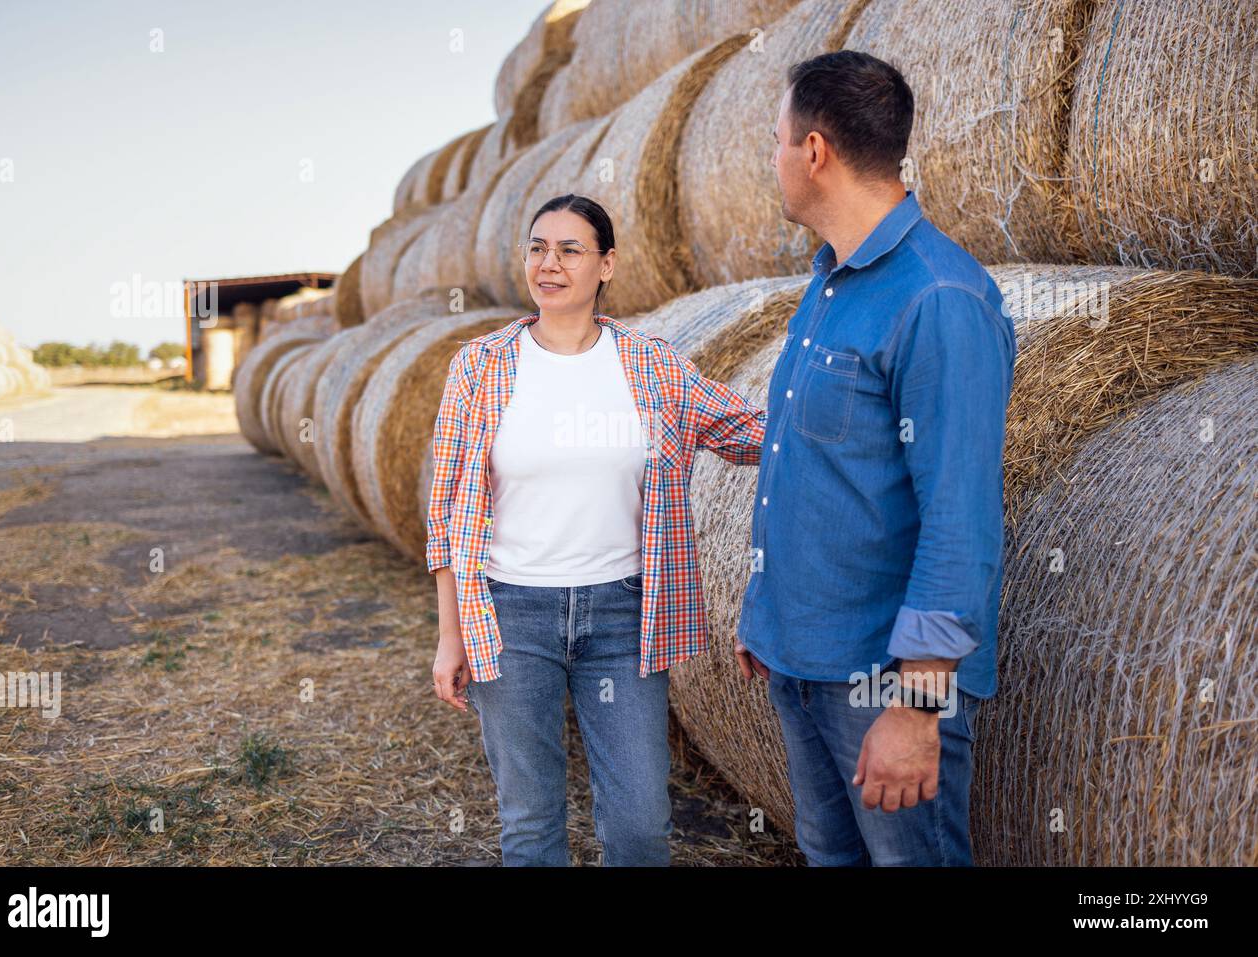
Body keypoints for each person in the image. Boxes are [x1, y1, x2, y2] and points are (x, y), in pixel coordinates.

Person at [733, 51, 1017, 866]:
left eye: (776, 141)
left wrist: (918, 705)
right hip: (801, 662)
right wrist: (770, 613)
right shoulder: (830, 284)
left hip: (884, 685)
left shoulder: (938, 300)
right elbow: (808, 465)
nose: (773, 161)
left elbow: (961, 519)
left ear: (814, 151)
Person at [427, 194, 766, 866]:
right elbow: (447, 514)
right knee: (530, 825)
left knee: (641, 824)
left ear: (606, 264)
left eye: (569, 249)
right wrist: (449, 634)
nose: (548, 263)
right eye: (536, 247)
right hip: (511, 613)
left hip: (623, 615)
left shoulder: (650, 363)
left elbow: (746, 430)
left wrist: (853, 423)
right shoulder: (481, 366)